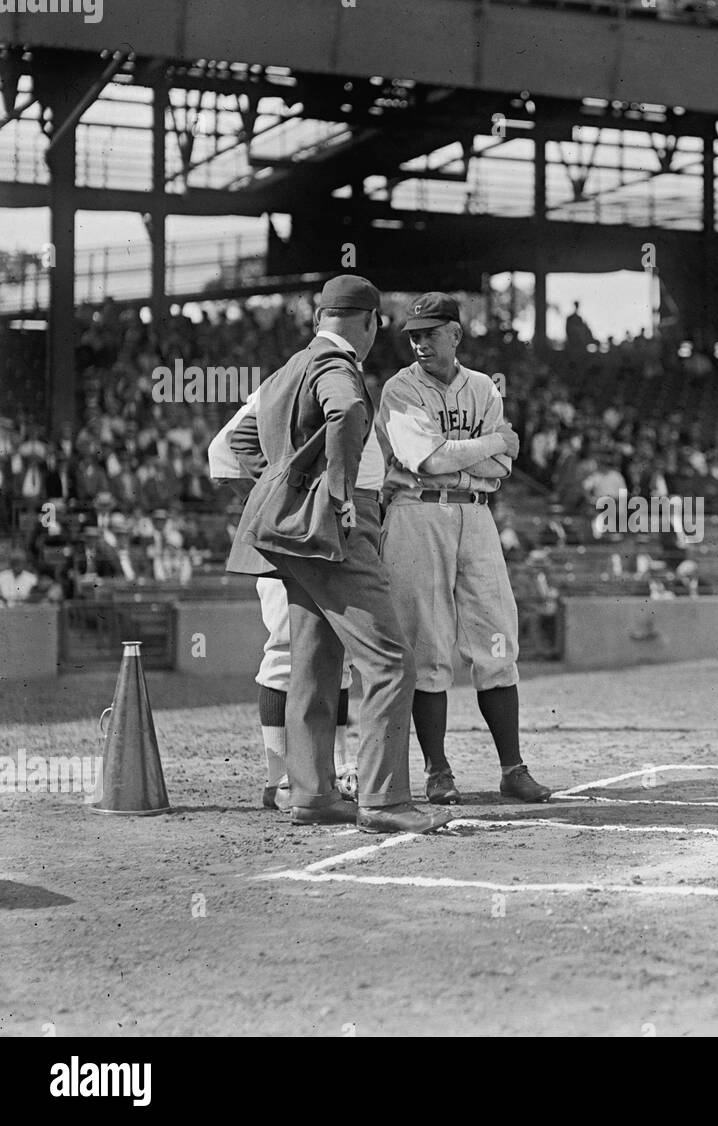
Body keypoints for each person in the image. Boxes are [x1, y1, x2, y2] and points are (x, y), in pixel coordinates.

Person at [225, 275, 445, 835]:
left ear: (320, 316)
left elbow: (239, 443)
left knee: (315, 662)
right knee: (390, 660)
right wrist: (336, 493)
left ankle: (313, 794)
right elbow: (346, 414)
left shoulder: (286, 370)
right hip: (337, 529)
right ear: (369, 322)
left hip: (293, 535)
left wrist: (289, 487)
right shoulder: (337, 366)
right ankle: (384, 800)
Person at [376, 291, 553, 805]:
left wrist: (471, 458)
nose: (419, 343)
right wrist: (495, 444)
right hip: (416, 512)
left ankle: (512, 767)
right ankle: (437, 771)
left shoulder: (483, 388)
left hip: (476, 513)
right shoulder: (399, 388)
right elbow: (428, 461)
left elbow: (499, 473)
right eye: (413, 335)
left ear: (455, 333)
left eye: (430, 333)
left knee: (497, 635)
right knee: (428, 645)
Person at [209, 384, 357, 812]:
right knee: (285, 651)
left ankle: (335, 768)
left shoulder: (334, 383)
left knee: (337, 654)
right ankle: (279, 778)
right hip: (287, 535)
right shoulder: (284, 387)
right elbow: (224, 448)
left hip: (326, 535)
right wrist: (276, 495)